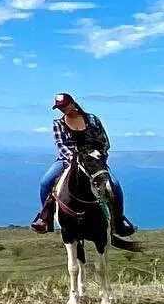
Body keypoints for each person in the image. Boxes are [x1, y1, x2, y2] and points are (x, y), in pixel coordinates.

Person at [31, 91, 135, 238]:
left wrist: (98, 156)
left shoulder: (93, 120)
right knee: (45, 181)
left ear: (73, 103)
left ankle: (118, 221)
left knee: (115, 186)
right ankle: (45, 218)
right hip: (67, 160)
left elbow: (104, 141)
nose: (63, 109)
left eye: (65, 105)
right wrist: (75, 159)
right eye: (60, 107)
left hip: (94, 160)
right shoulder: (58, 124)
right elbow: (61, 145)